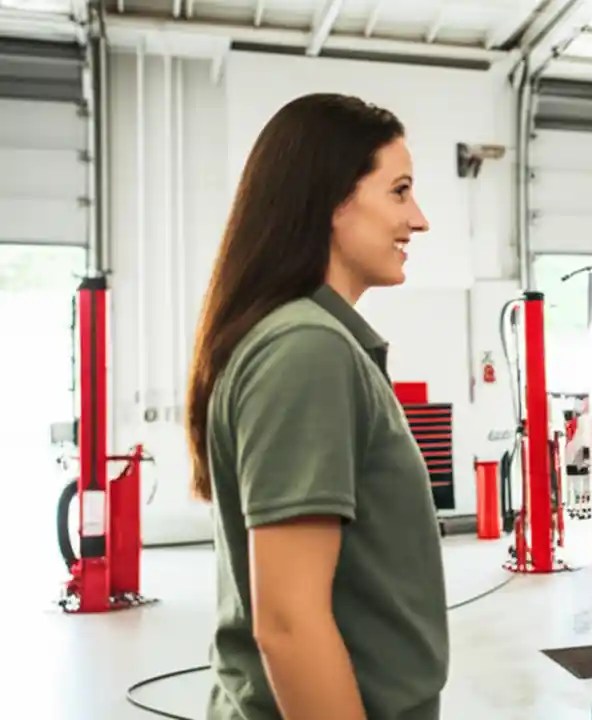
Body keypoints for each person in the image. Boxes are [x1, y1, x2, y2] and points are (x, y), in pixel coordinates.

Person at [185, 93, 449, 720]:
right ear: (332, 200)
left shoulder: (305, 341)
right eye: (399, 191)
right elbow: (289, 623)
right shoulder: (306, 350)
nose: (419, 219)